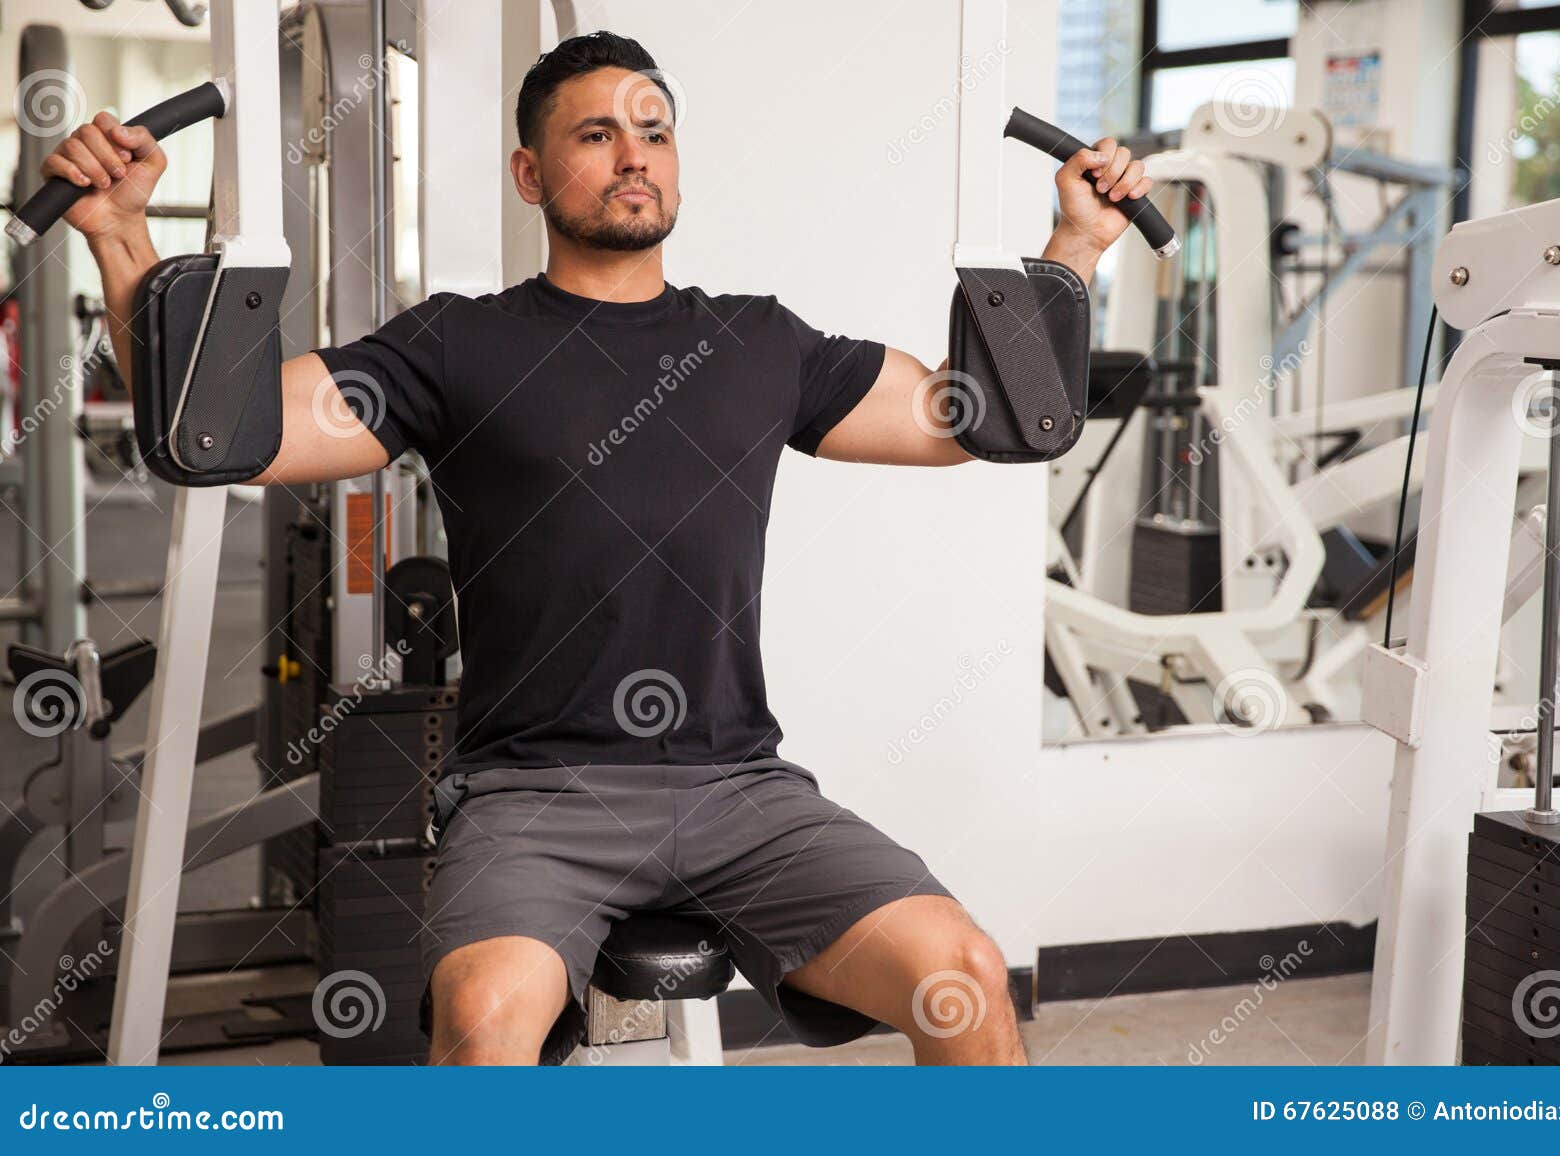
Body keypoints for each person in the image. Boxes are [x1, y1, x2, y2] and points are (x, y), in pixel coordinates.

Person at [53, 30, 1150, 1066]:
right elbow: (231, 436)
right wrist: (121, 234)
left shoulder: (761, 341)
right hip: (534, 796)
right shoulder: (457, 344)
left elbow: (974, 422)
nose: (635, 156)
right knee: (484, 1021)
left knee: (962, 976)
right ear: (531, 175)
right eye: (596, 135)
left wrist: (1074, 247)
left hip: (740, 790)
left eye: (654, 132)